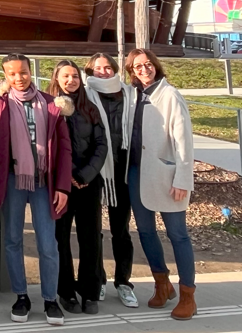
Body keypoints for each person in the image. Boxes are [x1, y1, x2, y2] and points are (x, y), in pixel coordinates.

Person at [0, 53, 71, 326]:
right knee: (12, 240)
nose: (18, 79)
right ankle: (21, 296)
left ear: (31, 72)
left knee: (47, 244)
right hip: (12, 180)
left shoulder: (52, 104)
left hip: (44, 182)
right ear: (4, 75)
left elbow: (65, 150)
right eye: (12, 74)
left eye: (23, 73)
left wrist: (64, 187)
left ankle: (50, 299)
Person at [125, 49, 196, 320]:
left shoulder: (170, 95)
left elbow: (183, 141)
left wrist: (183, 179)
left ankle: (188, 294)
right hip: (136, 174)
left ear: (156, 65)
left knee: (178, 235)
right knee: (145, 231)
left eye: (148, 64)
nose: (144, 70)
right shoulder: (134, 95)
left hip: (167, 177)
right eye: (137, 67)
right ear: (131, 71)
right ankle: (162, 284)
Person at [50, 60, 107, 315]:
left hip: (88, 182)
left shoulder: (90, 109)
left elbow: (101, 145)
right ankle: (65, 291)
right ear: (57, 79)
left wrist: (84, 175)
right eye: (65, 76)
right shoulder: (50, 108)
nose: (70, 80)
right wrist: (67, 175)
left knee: (91, 238)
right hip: (60, 184)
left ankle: (89, 291)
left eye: (74, 76)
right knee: (60, 238)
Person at [84, 53, 138, 308]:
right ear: (90, 72)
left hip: (122, 168)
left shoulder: (129, 94)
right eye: (98, 68)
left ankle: (124, 282)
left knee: (121, 230)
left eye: (108, 67)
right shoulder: (85, 95)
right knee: (94, 230)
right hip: (96, 169)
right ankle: (99, 280)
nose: (104, 72)